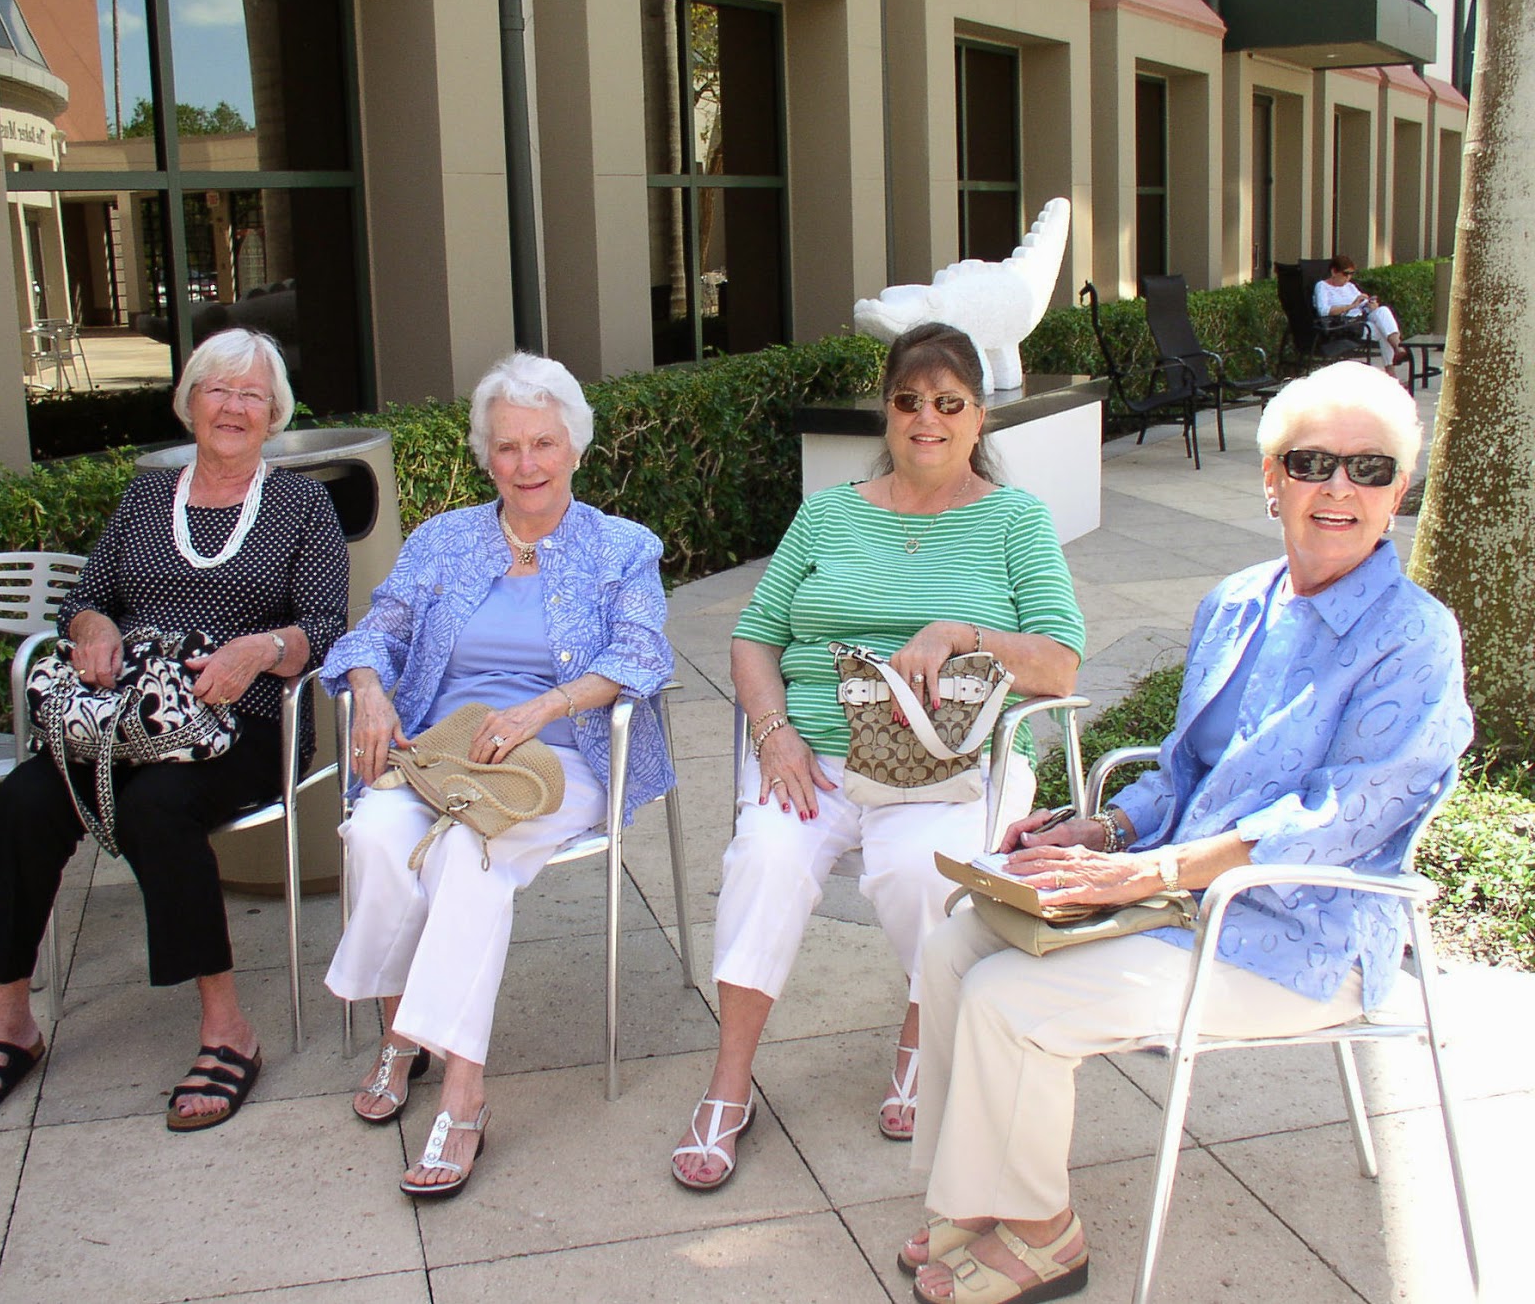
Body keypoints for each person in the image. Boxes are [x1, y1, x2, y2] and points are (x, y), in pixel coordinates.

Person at [899, 359, 1472, 1304]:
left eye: (1368, 469)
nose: (1338, 489)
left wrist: (1147, 873)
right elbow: (1184, 772)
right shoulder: (1239, 602)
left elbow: (1339, 819)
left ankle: (1043, 1233)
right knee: (956, 944)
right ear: (1272, 478)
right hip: (1181, 902)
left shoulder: (1415, 638)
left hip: (1300, 934)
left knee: (1012, 999)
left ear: (1397, 489)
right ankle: (977, 1197)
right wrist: (1099, 831)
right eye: (1313, 463)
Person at [670, 322, 1086, 1191]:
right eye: (908, 400)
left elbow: (1059, 665)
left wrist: (964, 632)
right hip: (814, 758)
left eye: (948, 403)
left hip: (949, 769)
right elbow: (754, 635)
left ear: (979, 418)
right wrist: (774, 734)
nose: (926, 419)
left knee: (916, 875)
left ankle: (920, 1033)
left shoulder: (1015, 521)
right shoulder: (828, 513)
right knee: (764, 865)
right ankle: (729, 1084)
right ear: (886, 414)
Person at [0, 328, 349, 1131]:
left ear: (274, 415)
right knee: (23, 801)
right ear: (188, 402)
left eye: (252, 395)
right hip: (124, 720)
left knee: (157, 808)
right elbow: (85, 599)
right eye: (217, 389)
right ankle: (11, 1021)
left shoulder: (303, 505)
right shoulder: (145, 498)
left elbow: (328, 628)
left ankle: (228, 1029)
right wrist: (92, 628)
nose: (232, 407)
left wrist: (258, 651)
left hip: (244, 721)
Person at [322, 351, 674, 1200]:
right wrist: (368, 691)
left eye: (544, 443)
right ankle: (402, 1028)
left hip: (563, 756)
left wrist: (541, 708)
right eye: (508, 446)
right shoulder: (444, 541)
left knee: (467, 857)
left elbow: (642, 653)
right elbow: (378, 631)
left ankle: (463, 1092)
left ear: (576, 447)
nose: (527, 464)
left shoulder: (621, 547)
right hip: (441, 752)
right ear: (487, 456)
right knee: (373, 835)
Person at [1314, 254, 1404, 375]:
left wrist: (1370, 305)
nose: (1348, 278)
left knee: (1383, 311)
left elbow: (1362, 304)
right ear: (1334, 271)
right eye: (1345, 274)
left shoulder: (1350, 286)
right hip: (1344, 325)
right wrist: (1351, 306)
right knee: (1383, 331)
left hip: (1361, 320)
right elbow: (1323, 311)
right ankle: (1392, 366)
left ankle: (1397, 348)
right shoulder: (1322, 286)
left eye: (1351, 274)